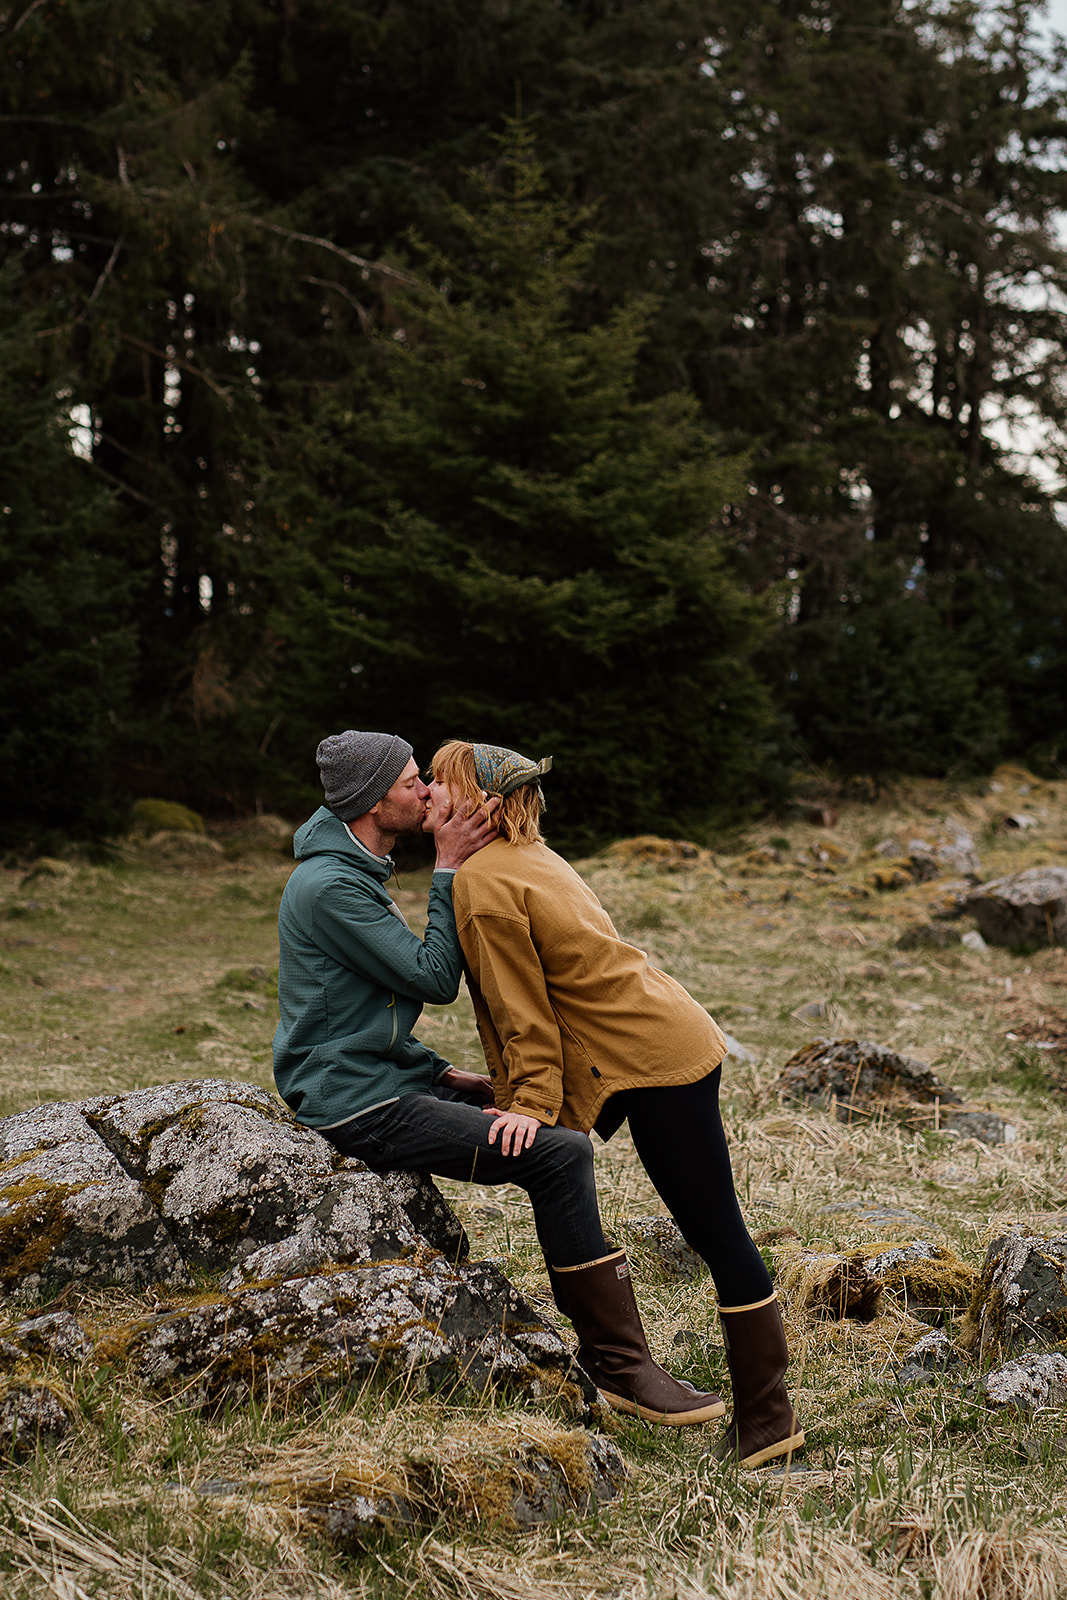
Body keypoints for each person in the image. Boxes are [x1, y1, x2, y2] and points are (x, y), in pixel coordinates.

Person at [272, 728, 723, 1425]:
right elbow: (430, 977)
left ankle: (618, 1358)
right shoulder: (330, 885)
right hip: (354, 1104)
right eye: (409, 781)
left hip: (382, 1078)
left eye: (425, 777)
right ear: (370, 800)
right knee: (557, 1155)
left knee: (543, 1135)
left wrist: (439, 1072)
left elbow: (354, 1015)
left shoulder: (356, 870)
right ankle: (618, 1366)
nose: (425, 791)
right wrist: (448, 866)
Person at [424, 738, 805, 1469]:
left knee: (716, 1231)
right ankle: (623, 1368)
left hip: (652, 1055)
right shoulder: (531, 855)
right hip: (656, 1038)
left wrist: (528, 1106)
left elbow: (521, 1011)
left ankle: (767, 1420)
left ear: (483, 805)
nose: (429, 794)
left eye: (441, 783)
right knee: (658, 1209)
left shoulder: (484, 884)